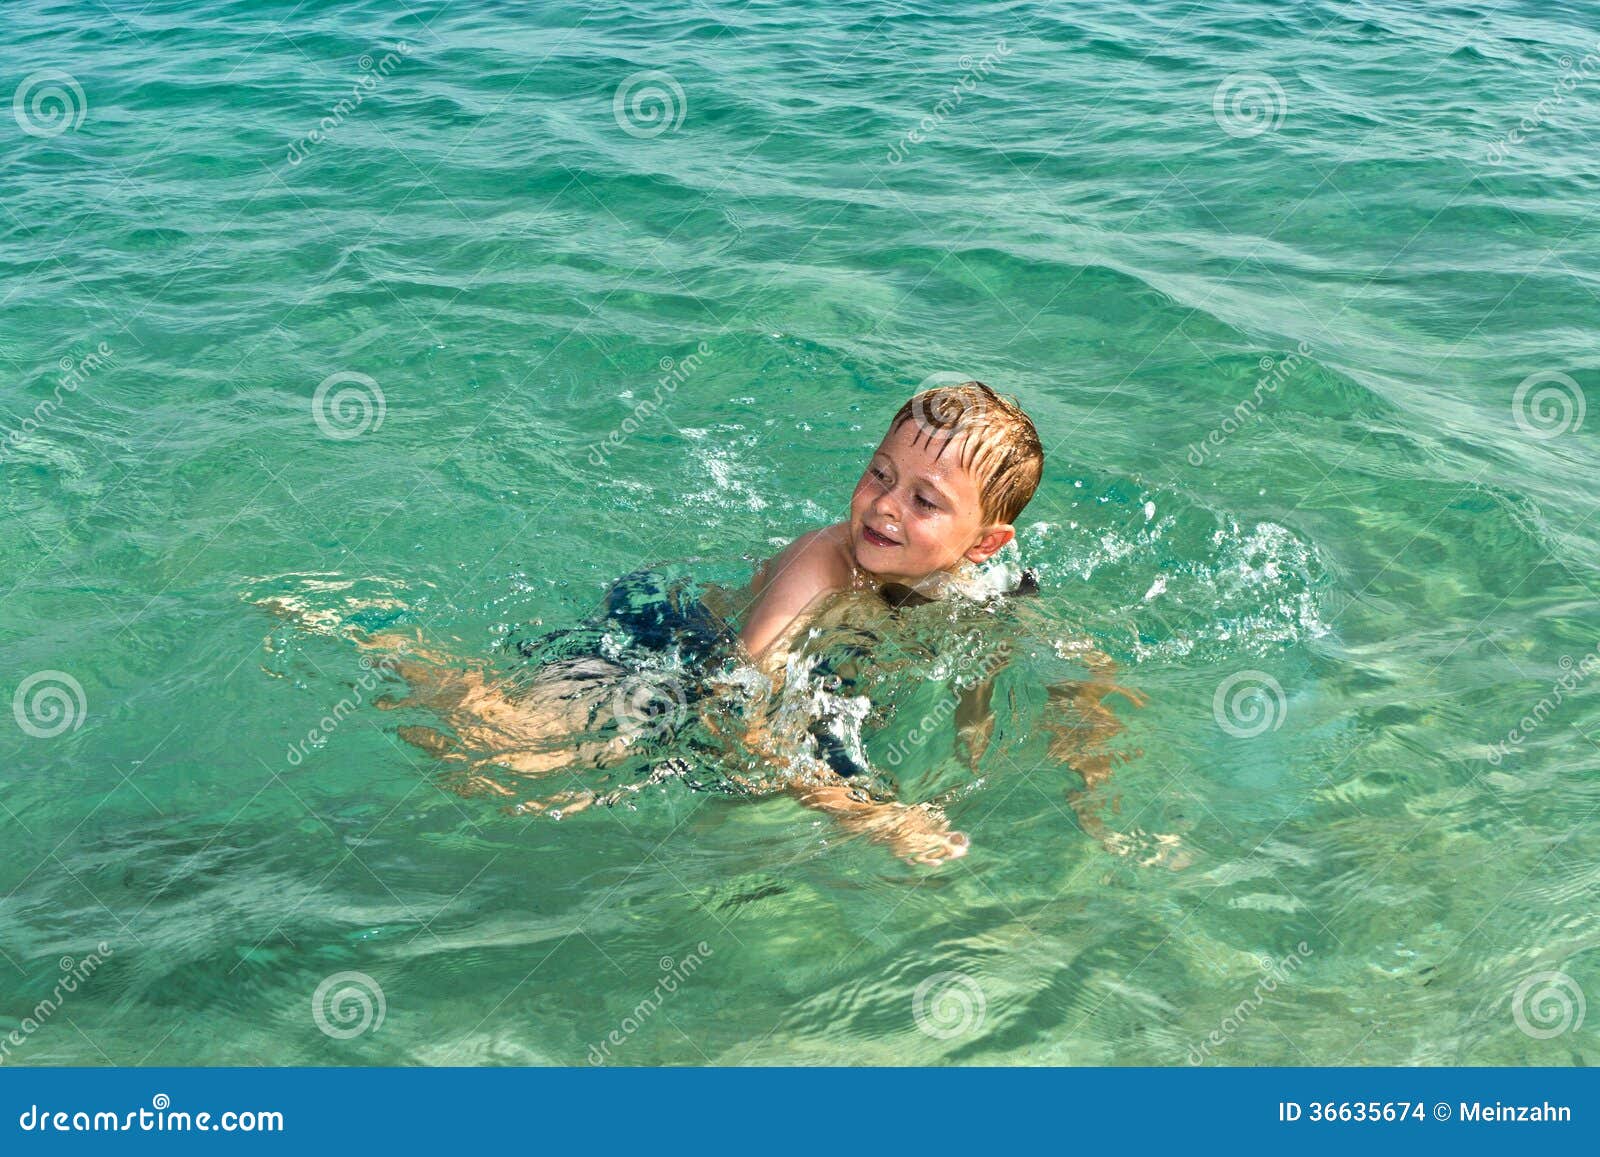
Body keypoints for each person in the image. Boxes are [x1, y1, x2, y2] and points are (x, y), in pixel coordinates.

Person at [337, 382, 1052, 865]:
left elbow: (982, 674)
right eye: (880, 473)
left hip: (785, 675)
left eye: (925, 501)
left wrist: (974, 743)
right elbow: (738, 708)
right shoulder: (820, 564)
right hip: (674, 652)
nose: (885, 506)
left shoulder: (984, 585)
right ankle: (381, 641)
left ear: (984, 542)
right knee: (495, 766)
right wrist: (864, 815)